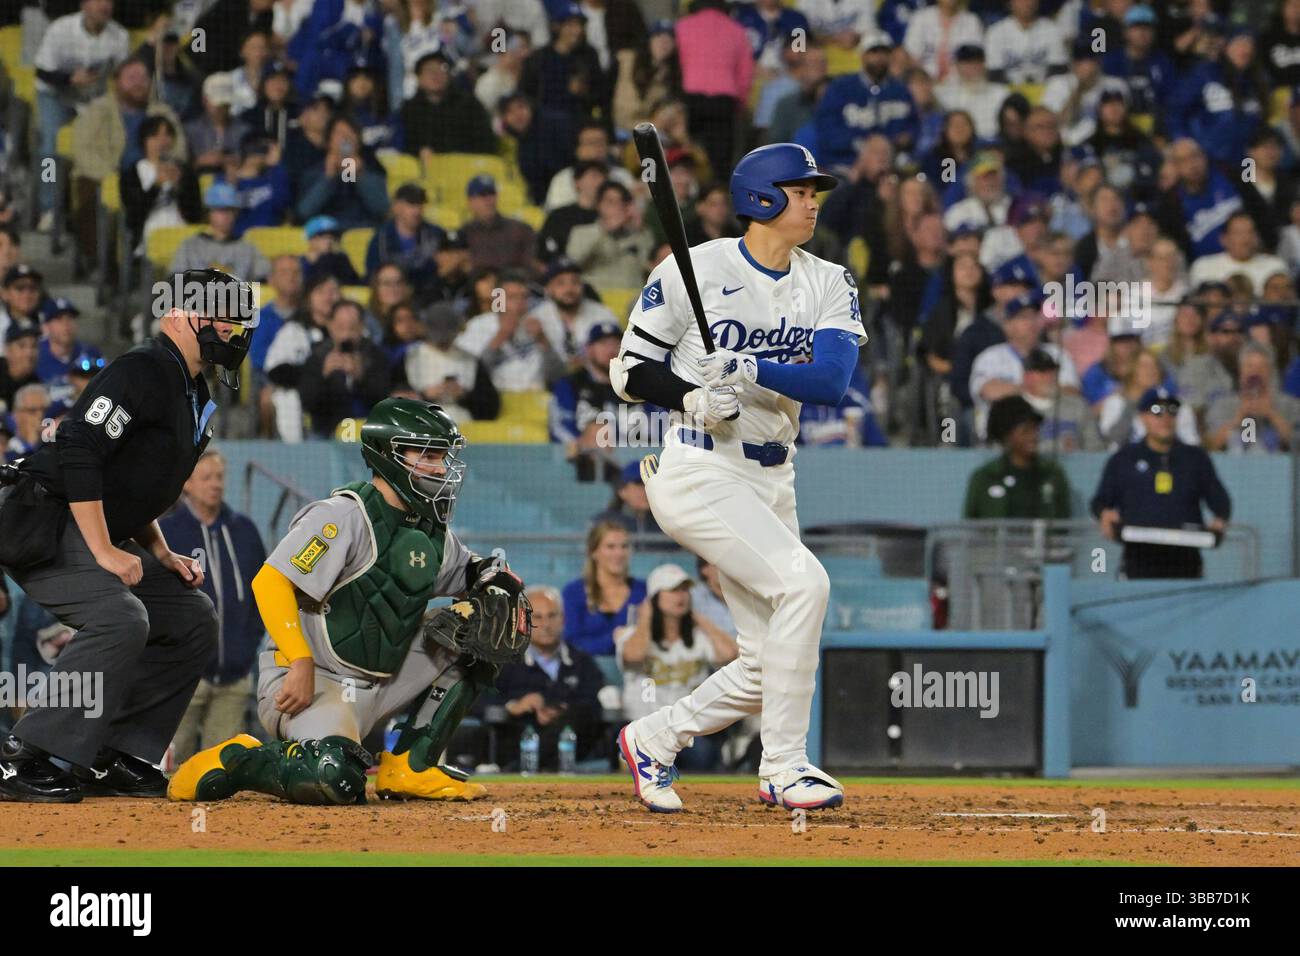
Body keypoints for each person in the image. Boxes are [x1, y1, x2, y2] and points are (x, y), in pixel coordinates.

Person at [610, 142, 863, 812]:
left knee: (765, 661)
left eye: (812, 192)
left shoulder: (828, 279)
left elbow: (831, 382)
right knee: (806, 583)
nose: (811, 202)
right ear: (761, 198)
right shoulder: (695, 268)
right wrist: (692, 395)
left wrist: (750, 368)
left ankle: (653, 739)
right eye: (800, 191)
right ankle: (783, 766)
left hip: (774, 475)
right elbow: (630, 371)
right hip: (700, 465)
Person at [166, 400, 530, 804]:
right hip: (312, 679)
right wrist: (299, 660)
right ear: (390, 455)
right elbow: (269, 582)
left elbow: (471, 574)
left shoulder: (430, 530)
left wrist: (499, 583)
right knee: (334, 776)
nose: (441, 468)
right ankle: (236, 759)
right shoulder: (342, 516)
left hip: (381, 681)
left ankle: (412, 765)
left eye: (443, 456)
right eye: (428, 455)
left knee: (487, 624)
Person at [0, 268, 259, 802]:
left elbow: (136, 484)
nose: (230, 330)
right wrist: (104, 550)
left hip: (82, 521)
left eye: (234, 321)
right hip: (39, 519)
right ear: (179, 315)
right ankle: (25, 754)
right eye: (220, 317)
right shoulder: (142, 369)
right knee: (119, 616)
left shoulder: (192, 388)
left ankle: (113, 754)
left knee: (191, 617)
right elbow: (78, 448)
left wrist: (159, 549)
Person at [160, 449, 267, 764]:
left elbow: (262, 592)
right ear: (186, 484)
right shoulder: (166, 533)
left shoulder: (244, 530)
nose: (216, 484)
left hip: (234, 676)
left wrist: (246, 648)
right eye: (206, 477)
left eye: (219, 477)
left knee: (220, 771)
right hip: (182, 678)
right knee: (168, 770)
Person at [1092, 387, 1232, 579]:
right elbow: (1100, 501)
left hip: (1186, 562)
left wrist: (1220, 520)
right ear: (1143, 417)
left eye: (1172, 411)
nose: (1165, 418)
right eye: (1157, 411)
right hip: (1138, 561)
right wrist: (1104, 514)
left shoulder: (1196, 459)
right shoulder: (1124, 459)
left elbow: (1220, 501)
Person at [615, 563, 738, 771]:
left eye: (684, 590)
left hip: (686, 730)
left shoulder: (698, 638)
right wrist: (646, 617)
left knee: (704, 754)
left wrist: (697, 617)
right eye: (673, 590)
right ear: (654, 598)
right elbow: (633, 656)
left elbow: (729, 654)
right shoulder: (631, 635)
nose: (681, 596)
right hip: (644, 728)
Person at [33, 0, 130, 228]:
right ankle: (49, 209)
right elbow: (42, 71)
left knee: (110, 143)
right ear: (84, 5)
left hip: (93, 98)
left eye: (108, 1)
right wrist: (69, 79)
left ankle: (99, 211)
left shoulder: (119, 36)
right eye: (98, 1)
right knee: (50, 149)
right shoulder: (61, 29)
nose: (105, 6)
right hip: (56, 94)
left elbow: (122, 76)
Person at [493, 585, 605, 772]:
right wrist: (514, 706)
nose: (546, 624)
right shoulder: (504, 662)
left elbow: (594, 704)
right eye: (537, 617)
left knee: (579, 715)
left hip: (573, 745)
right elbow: (478, 702)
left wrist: (560, 710)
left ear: (563, 619)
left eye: (552, 616)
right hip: (517, 739)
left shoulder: (582, 662)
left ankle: (522, 768)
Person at [815, 30, 916, 173]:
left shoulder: (900, 90)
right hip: (847, 165)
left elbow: (914, 125)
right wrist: (862, 144)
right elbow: (827, 130)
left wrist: (904, 139)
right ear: (862, 55)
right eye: (874, 52)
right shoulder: (841, 87)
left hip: (892, 164)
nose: (879, 57)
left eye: (884, 52)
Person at [963, 395, 1072, 519]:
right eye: (1025, 431)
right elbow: (970, 524)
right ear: (1006, 435)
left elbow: (1064, 521)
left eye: (1035, 429)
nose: (1033, 436)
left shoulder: (1052, 474)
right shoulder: (985, 478)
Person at [455, 271, 565, 391]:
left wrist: (543, 340)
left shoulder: (540, 323)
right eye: (512, 297)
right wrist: (499, 338)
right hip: (497, 396)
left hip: (537, 396)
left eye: (524, 297)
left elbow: (558, 375)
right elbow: (469, 375)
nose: (519, 303)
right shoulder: (478, 325)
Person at [297, 300, 392, 437]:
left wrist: (360, 377)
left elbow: (383, 400)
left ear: (362, 327)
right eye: (341, 327)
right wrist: (324, 376)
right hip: (326, 433)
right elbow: (308, 402)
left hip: (368, 432)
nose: (346, 334)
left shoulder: (376, 356)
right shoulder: (317, 357)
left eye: (352, 328)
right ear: (330, 326)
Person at [402, 302, 500, 423]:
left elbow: (491, 408)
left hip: (464, 425)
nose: (443, 341)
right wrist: (425, 396)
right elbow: (396, 402)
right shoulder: (411, 358)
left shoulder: (470, 360)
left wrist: (464, 396)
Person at [562, 520, 647, 657]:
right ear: (594, 552)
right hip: (586, 668)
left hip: (635, 668)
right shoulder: (574, 593)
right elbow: (570, 644)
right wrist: (613, 638)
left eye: (624, 546)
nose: (619, 553)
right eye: (610, 547)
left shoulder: (643, 591)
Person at [400, 49, 497, 159]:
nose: (436, 75)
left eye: (442, 69)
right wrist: (419, 152)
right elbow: (402, 145)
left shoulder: (469, 105)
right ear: (419, 78)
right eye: (429, 70)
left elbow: (485, 142)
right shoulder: (410, 110)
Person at [1204, 342, 1300, 454]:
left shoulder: (1289, 405)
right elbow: (1212, 445)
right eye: (1249, 366)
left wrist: (1272, 414)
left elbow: (1297, 444)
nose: (1255, 372)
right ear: (1240, 370)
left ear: (1270, 371)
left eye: (1262, 367)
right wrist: (1238, 418)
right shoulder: (1222, 405)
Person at [564, 181, 655, 293]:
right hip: (598, 297)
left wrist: (639, 228)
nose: (617, 206)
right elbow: (573, 262)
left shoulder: (638, 234)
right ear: (599, 205)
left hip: (634, 297)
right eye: (610, 202)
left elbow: (647, 264)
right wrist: (604, 229)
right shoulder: (582, 232)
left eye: (621, 202)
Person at [169, 181, 271, 281]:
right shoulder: (190, 245)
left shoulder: (247, 247)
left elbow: (265, 279)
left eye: (231, 210)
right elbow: (174, 281)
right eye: (221, 210)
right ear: (209, 213)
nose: (227, 215)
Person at [365, 182, 447, 295]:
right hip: (393, 295)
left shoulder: (436, 234)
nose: (417, 211)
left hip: (430, 294)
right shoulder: (381, 239)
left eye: (420, 204)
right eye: (411, 204)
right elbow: (374, 275)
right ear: (396, 207)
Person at [460, 175, 538, 274]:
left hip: (513, 281)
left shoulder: (520, 230)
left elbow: (530, 265)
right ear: (470, 201)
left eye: (492, 193)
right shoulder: (464, 233)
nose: (489, 200)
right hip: (477, 282)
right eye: (482, 194)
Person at [36, 297, 103, 391]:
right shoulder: (35, 355)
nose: (66, 324)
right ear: (45, 326)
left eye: (70, 318)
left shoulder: (91, 352)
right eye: (59, 319)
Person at [300, 216, 362, 286]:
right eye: (323, 237)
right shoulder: (300, 264)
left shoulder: (341, 260)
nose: (329, 241)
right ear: (311, 240)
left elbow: (355, 283)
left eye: (333, 237)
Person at [0, 326, 41, 414]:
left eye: (34, 346)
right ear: (7, 349)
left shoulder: (35, 383)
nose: (29, 353)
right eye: (22, 346)